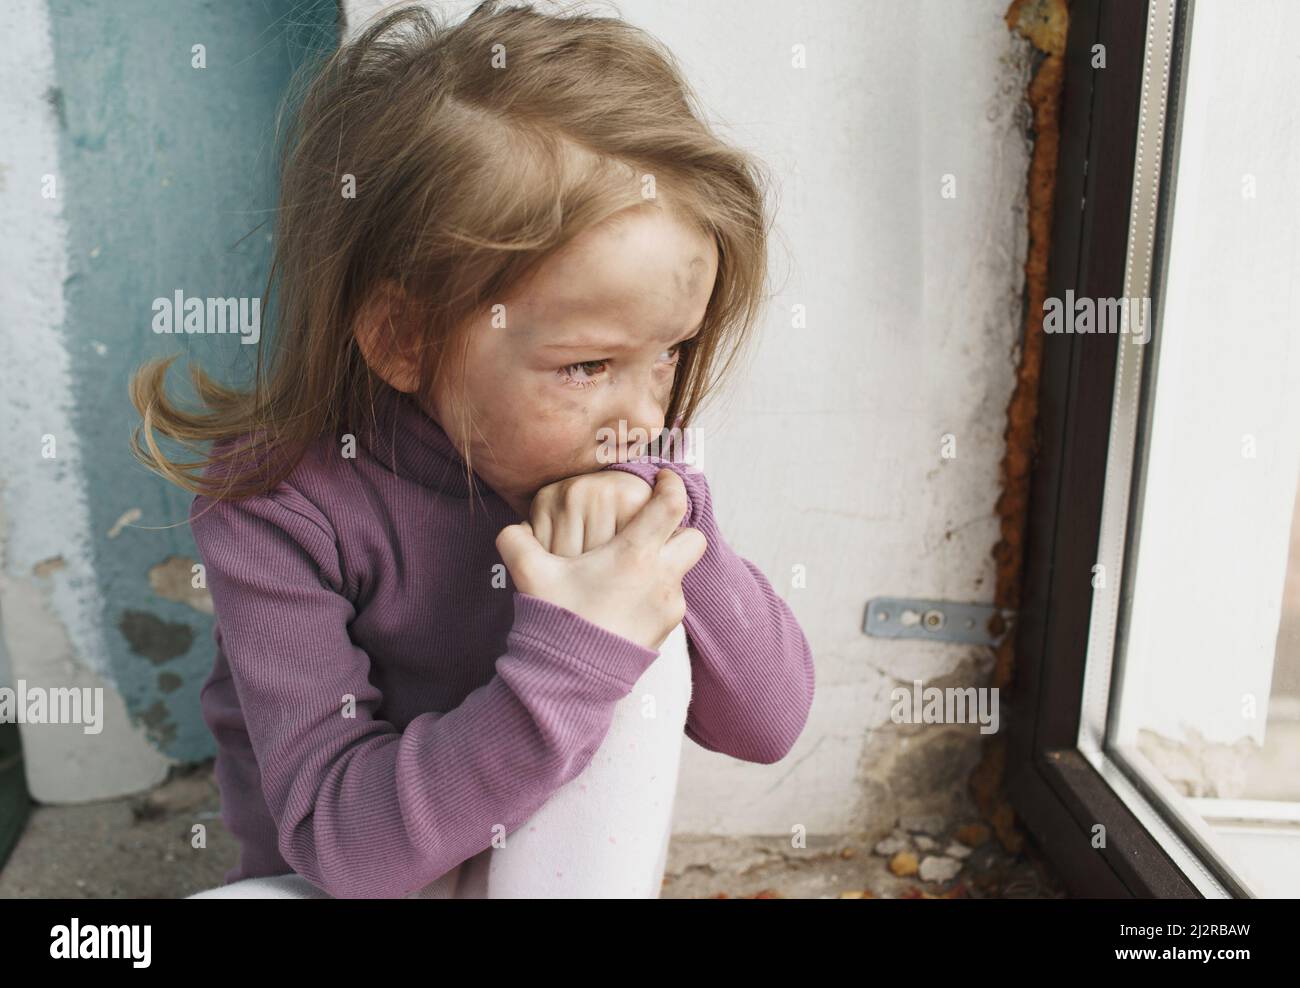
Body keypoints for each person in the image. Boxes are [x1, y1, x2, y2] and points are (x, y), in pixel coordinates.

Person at [131, 0, 815, 899]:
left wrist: (683, 536)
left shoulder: (629, 459)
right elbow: (341, 845)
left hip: (554, 862)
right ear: (403, 337)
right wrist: (577, 651)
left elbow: (766, 724)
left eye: (673, 353)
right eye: (587, 365)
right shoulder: (275, 500)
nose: (644, 415)